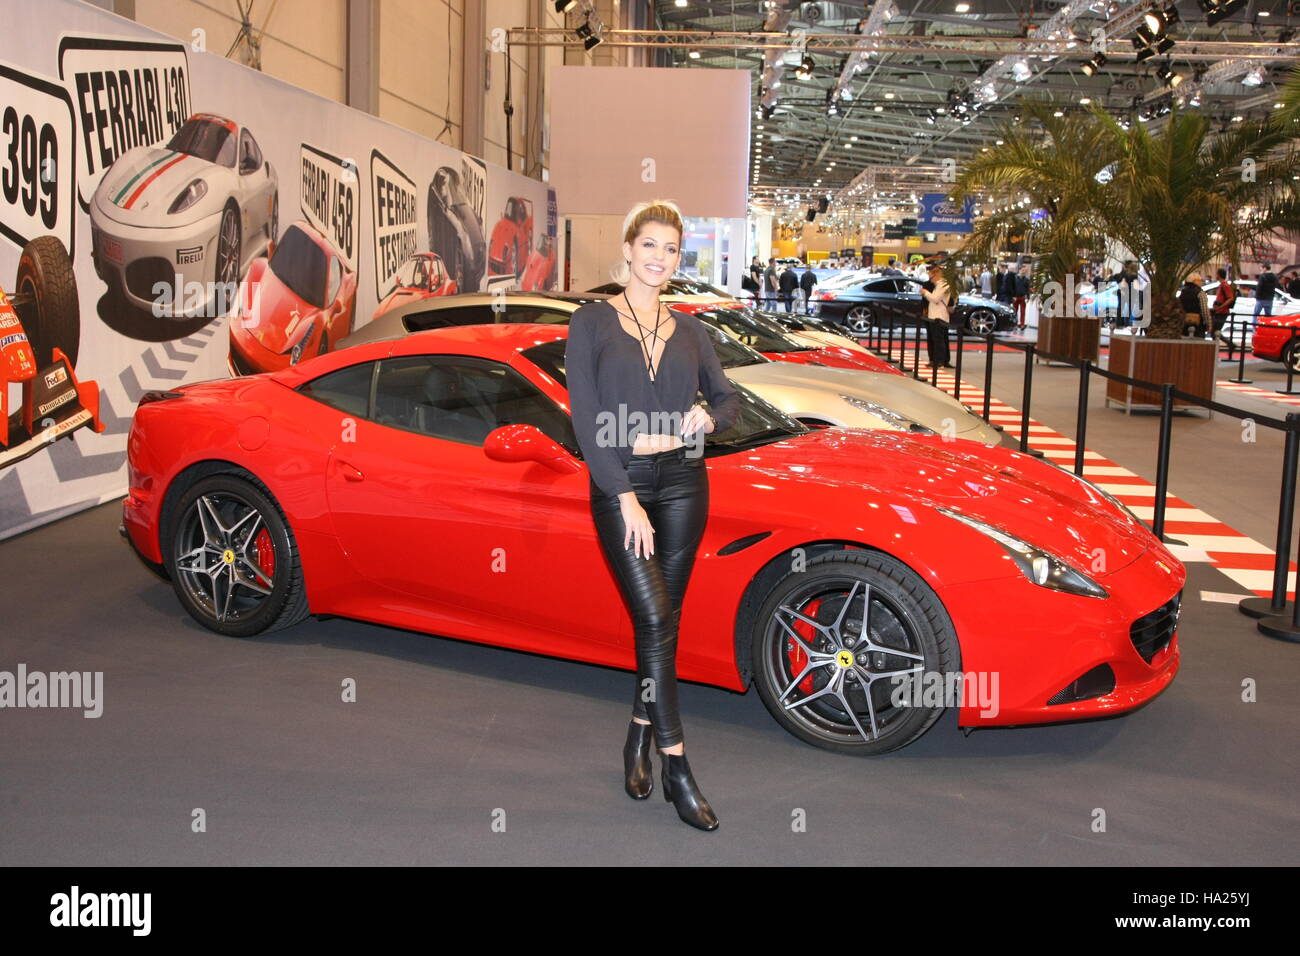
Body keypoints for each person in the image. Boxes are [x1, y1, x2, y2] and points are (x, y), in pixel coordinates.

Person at [565, 199, 740, 832]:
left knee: (663, 622)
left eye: (671, 249)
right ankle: (677, 764)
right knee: (657, 615)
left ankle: (640, 731)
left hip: (687, 484)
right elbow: (585, 420)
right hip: (624, 485)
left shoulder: (692, 331)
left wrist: (707, 420)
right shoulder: (591, 322)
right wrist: (624, 497)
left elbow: (729, 401)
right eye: (651, 245)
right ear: (629, 247)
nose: (660, 258)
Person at [920, 263, 952, 367]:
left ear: (936, 275)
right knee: (936, 339)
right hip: (935, 316)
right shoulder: (939, 285)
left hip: (938, 316)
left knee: (939, 340)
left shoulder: (942, 285)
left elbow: (935, 298)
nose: (930, 280)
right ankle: (937, 360)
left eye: (931, 277)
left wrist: (925, 293)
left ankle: (940, 361)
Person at [1210, 267, 1237, 345]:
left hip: (1222, 312)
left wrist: (1220, 307)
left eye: (1216, 274)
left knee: (1215, 332)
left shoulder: (1225, 285)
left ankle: (1230, 344)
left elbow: (1230, 298)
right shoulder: (1221, 285)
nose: (1215, 275)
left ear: (1219, 275)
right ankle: (1229, 344)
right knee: (1214, 332)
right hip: (1219, 311)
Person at [1179, 272, 1210, 338]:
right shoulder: (1200, 293)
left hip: (1184, 323)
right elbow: (1205, 310)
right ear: (1195, 281)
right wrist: (1208, 324)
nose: (1201, 282)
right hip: (1198, 324)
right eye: (1200, 280)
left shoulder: (1183, 292)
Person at [1012, 265, 1030, 329]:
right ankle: (1014, 324)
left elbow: (1028, 289)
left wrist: (1028, 297)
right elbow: (1012, 288)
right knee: (1015, 312)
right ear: (1019, 270)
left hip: (1023, 297)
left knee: (1023, 312)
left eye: (1025, 270)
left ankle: (1022, 324)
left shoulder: (1026, 280)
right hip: (1015, 298)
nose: (1024, 272)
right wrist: (1013, 296)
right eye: (1023, 270)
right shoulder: (1015, 278)